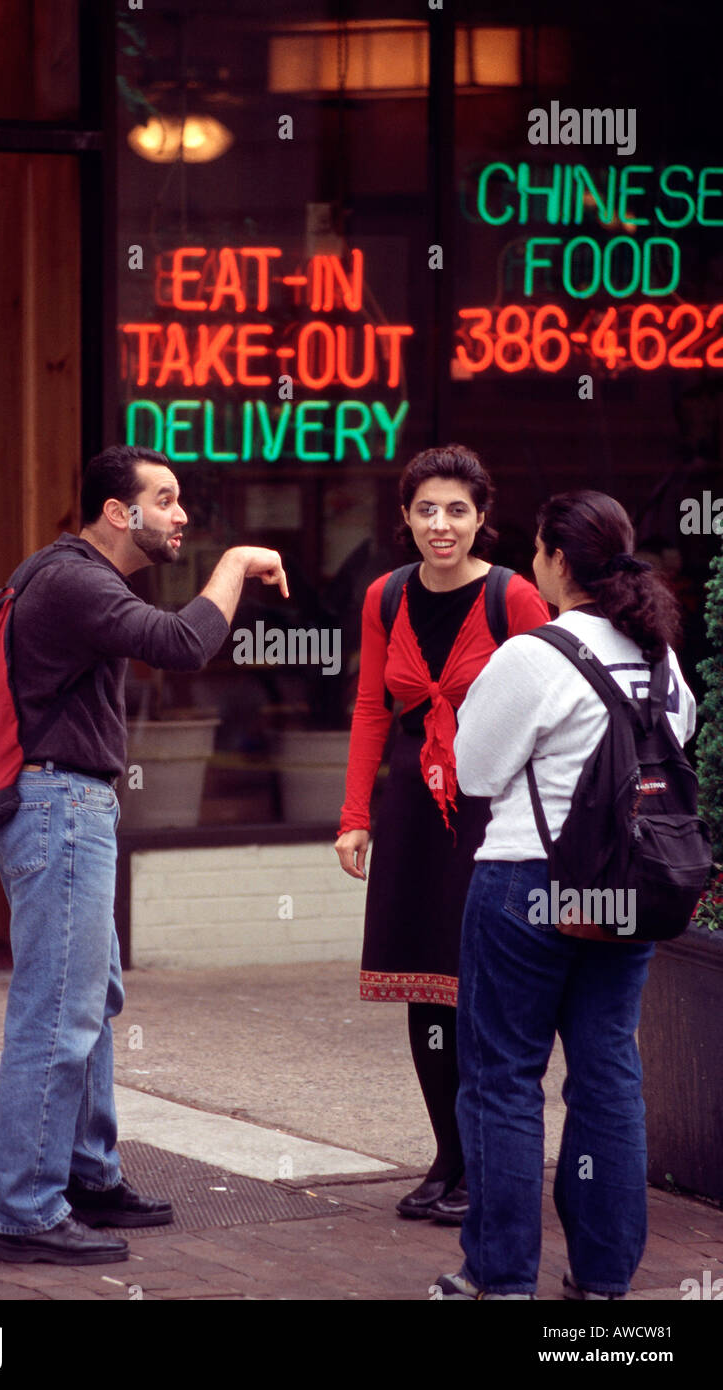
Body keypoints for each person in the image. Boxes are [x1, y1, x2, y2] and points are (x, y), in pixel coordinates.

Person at [0, 444, 287, 1265]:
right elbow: (184, 643)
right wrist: (233, 563)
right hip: (58, 806)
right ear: (120, 513)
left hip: (62, 805)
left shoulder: (62, 573)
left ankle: (87, 1174)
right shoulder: (78, 578)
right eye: (166, 498)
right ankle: (27, 1211)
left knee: (91, 998)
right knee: (57, 1011)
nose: (180, 512)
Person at [436, 489, 695, 1300]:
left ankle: (500, 1279)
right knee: (608, 1074)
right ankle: (603, 1279)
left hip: (528, 883)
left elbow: (476, 772)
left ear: (553, 559)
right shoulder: (659, 656)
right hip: (625, 892)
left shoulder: (533, 654)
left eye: (538, 551)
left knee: (503, 1077)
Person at [334, 446, 549, 1222]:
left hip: (493, 813)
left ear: (483, 517)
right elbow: (368, 709)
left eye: (457, 509)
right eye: (426, 509)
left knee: (480, 985)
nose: (441, 524)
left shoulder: (514, 598)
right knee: (424, 985)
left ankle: (485, 1167)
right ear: (405, 518)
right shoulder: (386, 596)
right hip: (414, 813)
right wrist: (356, 816)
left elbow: (552, 704)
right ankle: (448, 1158)